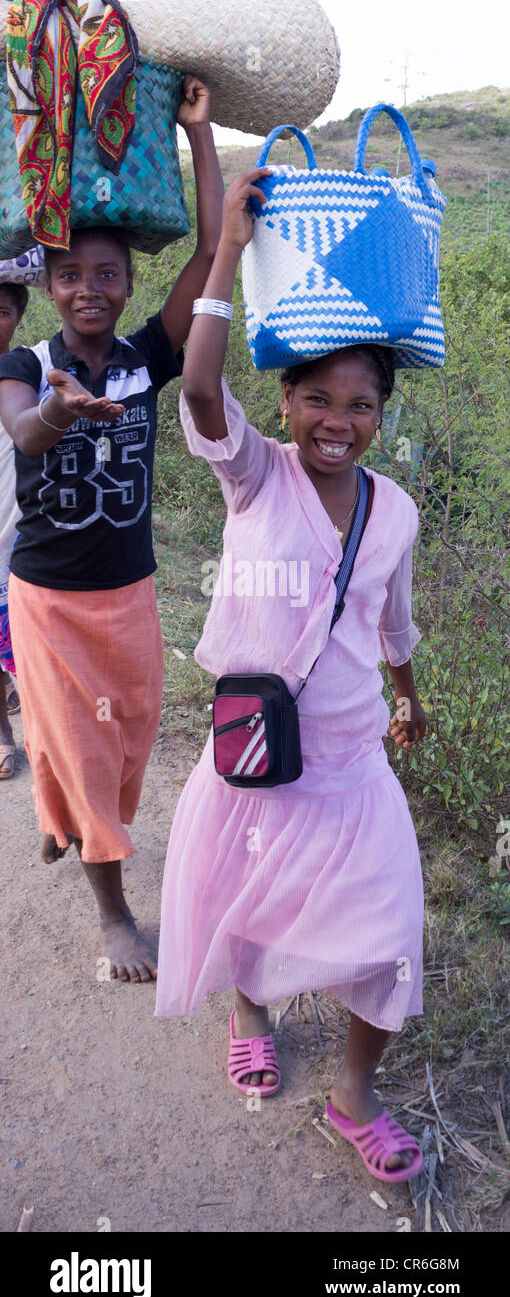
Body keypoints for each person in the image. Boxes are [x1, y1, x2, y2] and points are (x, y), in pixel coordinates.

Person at [155, 170, 428, 1183]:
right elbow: (194, 385)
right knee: (252, 907)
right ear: (284, 400)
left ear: (380, 415)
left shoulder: (394, 510)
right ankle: (250, 1007)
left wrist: (410, 689)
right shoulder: (254, 473)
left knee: (392, 930)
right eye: (318, 397)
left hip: (353, 763)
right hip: (258, 753)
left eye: (360, 404)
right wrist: (227, 246)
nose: (337, 420)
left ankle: (356, 1097)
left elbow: (393, 616)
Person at [0, 76, 224, 982]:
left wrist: (201, 139)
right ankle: (114, 914)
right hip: (49, 601)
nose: (89, 289)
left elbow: (212, 253)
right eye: (70, 276)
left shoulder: (145, 357)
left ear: (129, 283)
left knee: (127, 737)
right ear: (48, 287)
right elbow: (20, 431)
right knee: (90, 750)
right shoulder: (27, 361)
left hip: (129, 594)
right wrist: (61, 414)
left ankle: (63, 811)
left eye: (106, 275)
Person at [0, 281, 29, 778]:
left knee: (34, 654)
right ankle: (3, 736)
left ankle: (50, 749)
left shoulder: (29, 371)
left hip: (24, 537)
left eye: (2, 310)